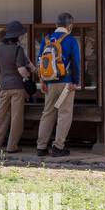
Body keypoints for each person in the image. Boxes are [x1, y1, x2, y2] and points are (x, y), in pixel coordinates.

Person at [35, 12, 81, 158]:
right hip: (66, 85)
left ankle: (41, 147)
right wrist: (75, 81)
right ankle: (58, 147)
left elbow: (40, 61)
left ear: (55, 25)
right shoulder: (71, 40)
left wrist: (42, 80)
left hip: (49, 84)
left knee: (48, 113)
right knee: (64, 114)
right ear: (70, 26)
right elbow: (76, 62)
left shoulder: (46, 39)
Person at [0, 20, 32, 154]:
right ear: (17, 36)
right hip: (17, 87)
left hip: (4, 86)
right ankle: (12, 146)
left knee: (1, 115)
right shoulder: (18, 49)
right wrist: (28, 77)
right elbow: (21, 70)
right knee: (16, 117)